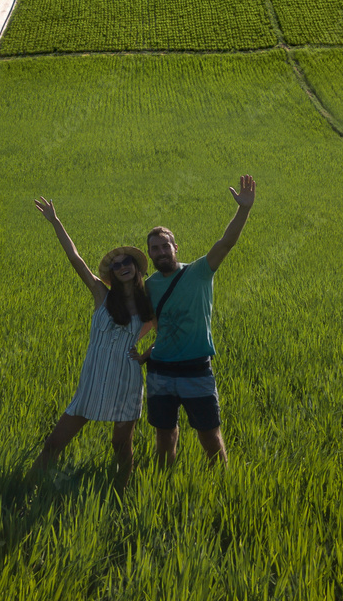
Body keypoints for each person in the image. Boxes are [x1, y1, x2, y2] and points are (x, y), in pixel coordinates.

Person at [29, 198, 154, 486]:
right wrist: (55, 221)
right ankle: (23, 488)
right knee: (54, 443)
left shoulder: (148, 302)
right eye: (117, 264)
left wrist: (146, 353)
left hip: (126, 384)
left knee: (121, 446)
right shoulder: (102, 295)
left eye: (127, 263)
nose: (122, 266)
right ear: (111, 273)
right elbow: (75, 259)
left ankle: (123, 492)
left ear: (136, 268)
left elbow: (171, 330)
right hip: (93, 382)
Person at [134, 174, 256, 467]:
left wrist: (244, 208)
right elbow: (148, 321)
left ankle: (222, 487)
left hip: (196, 370)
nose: (161, 252)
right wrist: (137, 351)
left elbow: (226, 242)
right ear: (149, 254)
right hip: (160, 371)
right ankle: (163, 484)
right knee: (164, 436)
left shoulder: (200, 271)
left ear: (176, 248)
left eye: (165, 246)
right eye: (155, 248)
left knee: (210, 436)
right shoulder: (149, 286)